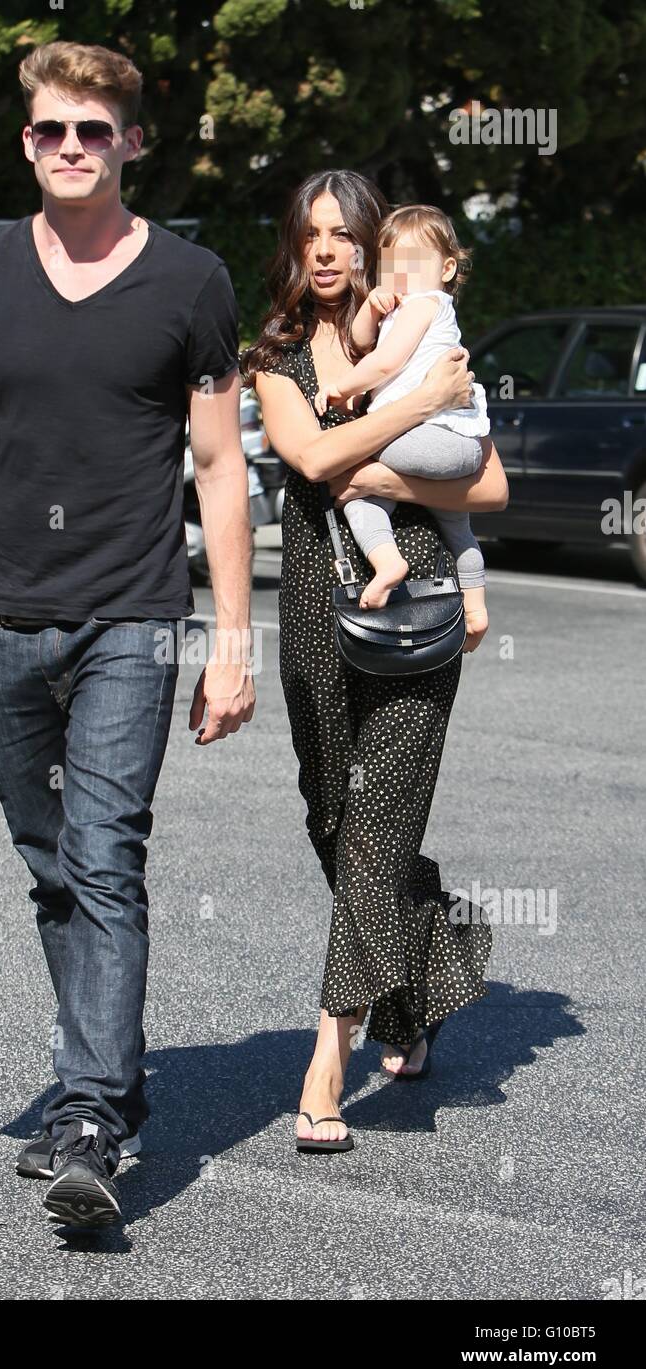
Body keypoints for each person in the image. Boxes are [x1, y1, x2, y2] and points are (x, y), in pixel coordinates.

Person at [0, 40, 255, 1226]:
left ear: (132, 141)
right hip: (3, 615)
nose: (71, 149)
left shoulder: (191, 283)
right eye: (50, 132)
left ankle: (87, 1113)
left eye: (93, 130)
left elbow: (223, 467)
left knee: (105, 854)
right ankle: (110, 1079)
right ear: (27, 142)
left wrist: (232, 639)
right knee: (49, 866)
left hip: (132, 615)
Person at [242, 171, 505, 1152]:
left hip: (416, 598)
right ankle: (424, 978)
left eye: (343, 236)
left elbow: (493, 481)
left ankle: (326, 1062)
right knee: (333, 810)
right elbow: (311, 459)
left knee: (377, 822)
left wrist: (421, 409)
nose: (324, 252)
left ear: (369, 247)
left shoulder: (424, 338)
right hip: (315, 600)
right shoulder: (271, 354)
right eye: (308, 235)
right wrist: (418, 405)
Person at [313, 204, 489, 634]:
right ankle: (475, 606)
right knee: (436, 521)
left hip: (436, 438)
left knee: (355, 462)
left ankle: (389, 559)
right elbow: (362, 339)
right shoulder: (401, 308)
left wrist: (344, 388)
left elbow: (384, 362)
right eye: (392, 265)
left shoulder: (425, 305)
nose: (401, 275)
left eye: (414, 263)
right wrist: (373, 309)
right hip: (450, 442)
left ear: (446, 269)